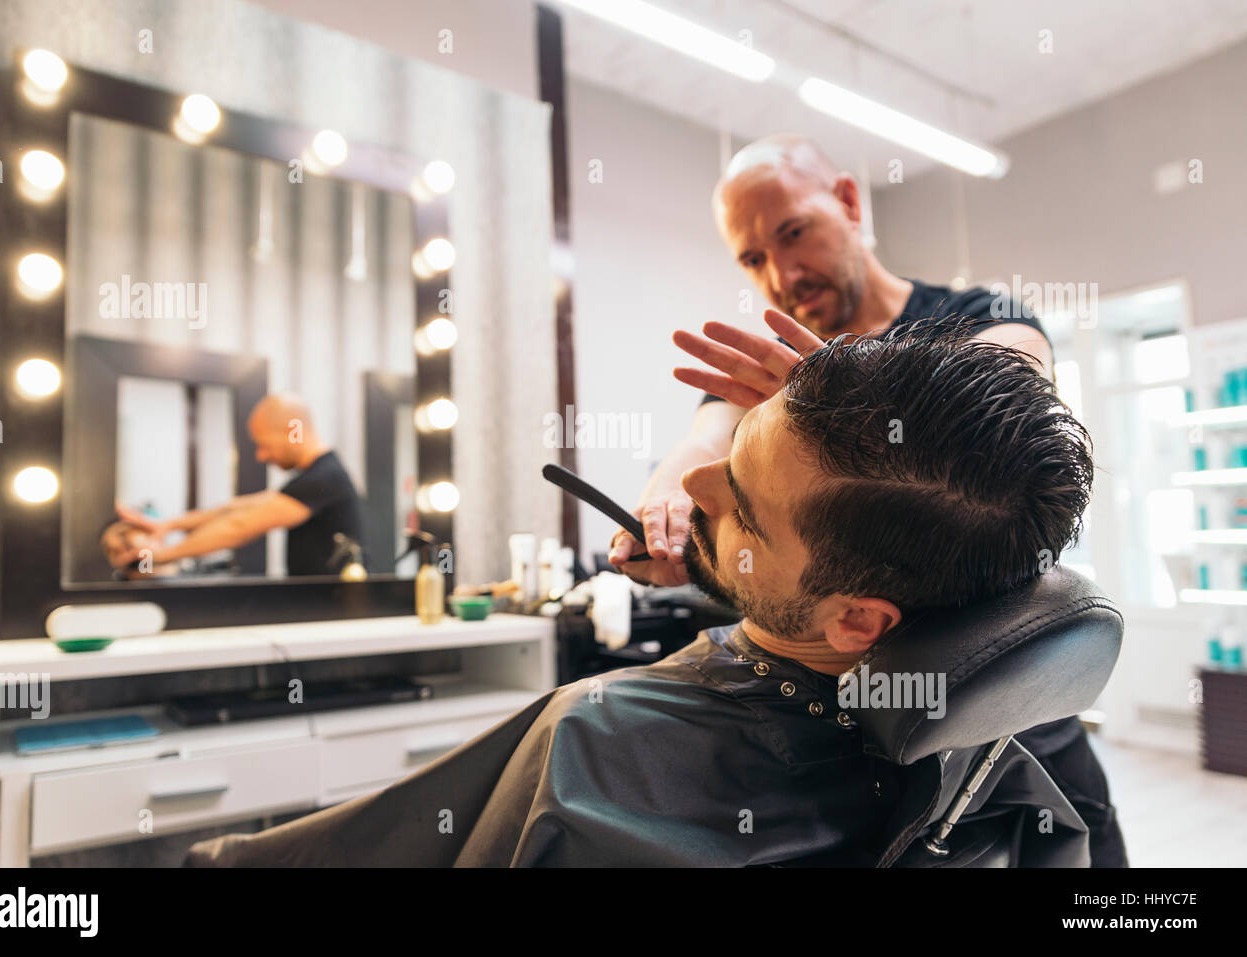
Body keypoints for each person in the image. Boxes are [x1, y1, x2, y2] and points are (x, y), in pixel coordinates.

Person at [185, 326, 1097, 867]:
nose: (691, 488)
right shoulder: (981, 753)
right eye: (728, 455)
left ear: (857, 618)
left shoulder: (600, 737)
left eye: (739, 507)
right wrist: (730, 555)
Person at [608, 134, 1126, 869]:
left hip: (1005, 704)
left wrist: (833, 413)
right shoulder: (759, 374)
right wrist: (667, 510)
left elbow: (1010, 407)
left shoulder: (981, 315)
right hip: (839, 723)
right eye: (752, 259)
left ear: (849, 203)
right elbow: (700, 446)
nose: (782, 272)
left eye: (794, 233)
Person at [108, 393, 366, 577]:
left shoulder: (326, 479)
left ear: (292, 431)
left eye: (264, 444)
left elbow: (240, 526)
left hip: (333, 614)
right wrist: (168, 525)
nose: (261, 456)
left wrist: (159, 556)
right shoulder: (313, 479)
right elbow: (238, 509)